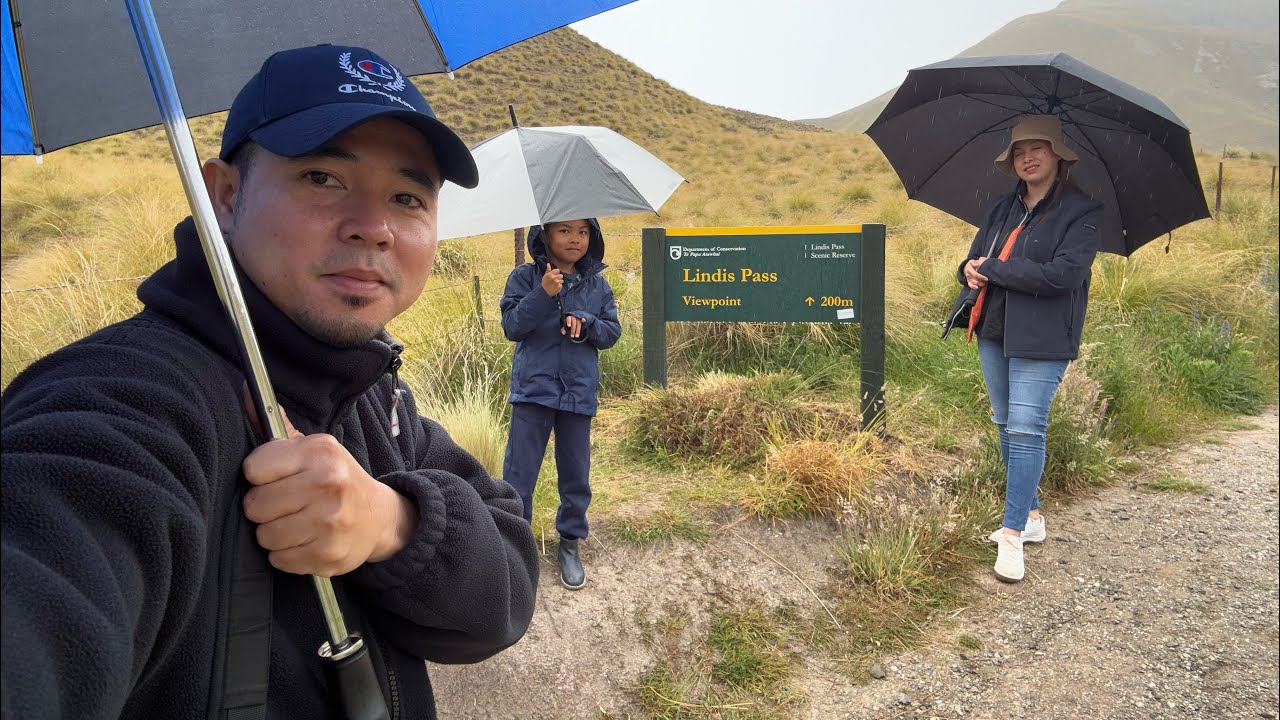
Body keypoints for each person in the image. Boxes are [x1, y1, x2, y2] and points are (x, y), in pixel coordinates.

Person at [0, 44, 539, 719]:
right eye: (321, 177)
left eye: (407, 196)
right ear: (225, 195)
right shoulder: (128, 396)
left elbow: (508, 593)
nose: (373, 227)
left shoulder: (374, 393)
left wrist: (391, 525)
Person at [949, 114, 1102, 583]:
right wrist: (968, 272)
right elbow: (977, 258)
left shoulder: (1082, 211)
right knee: (1004, 421)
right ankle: (1032, 516)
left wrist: (994, 269)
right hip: (994, 326)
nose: (1028, 157)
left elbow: (1062, 275)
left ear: (1058, 156)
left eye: (1038, 148)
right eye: (1019, 151)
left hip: (1043, 334)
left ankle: (1012, 534)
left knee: (1026, 428)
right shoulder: (1003, 207)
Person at [499, 218, 621, 590]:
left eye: (583, 232)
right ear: (544, 235)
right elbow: (512, 327)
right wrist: (543, 293)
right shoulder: (524, 278)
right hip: (533, 391)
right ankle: (514, 548)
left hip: (577, 392)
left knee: (575, 474)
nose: (575, 239)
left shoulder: (598, 285)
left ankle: (569, 543)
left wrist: (586, 323)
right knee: (519, 474)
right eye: (565, 230)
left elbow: (611, 332)